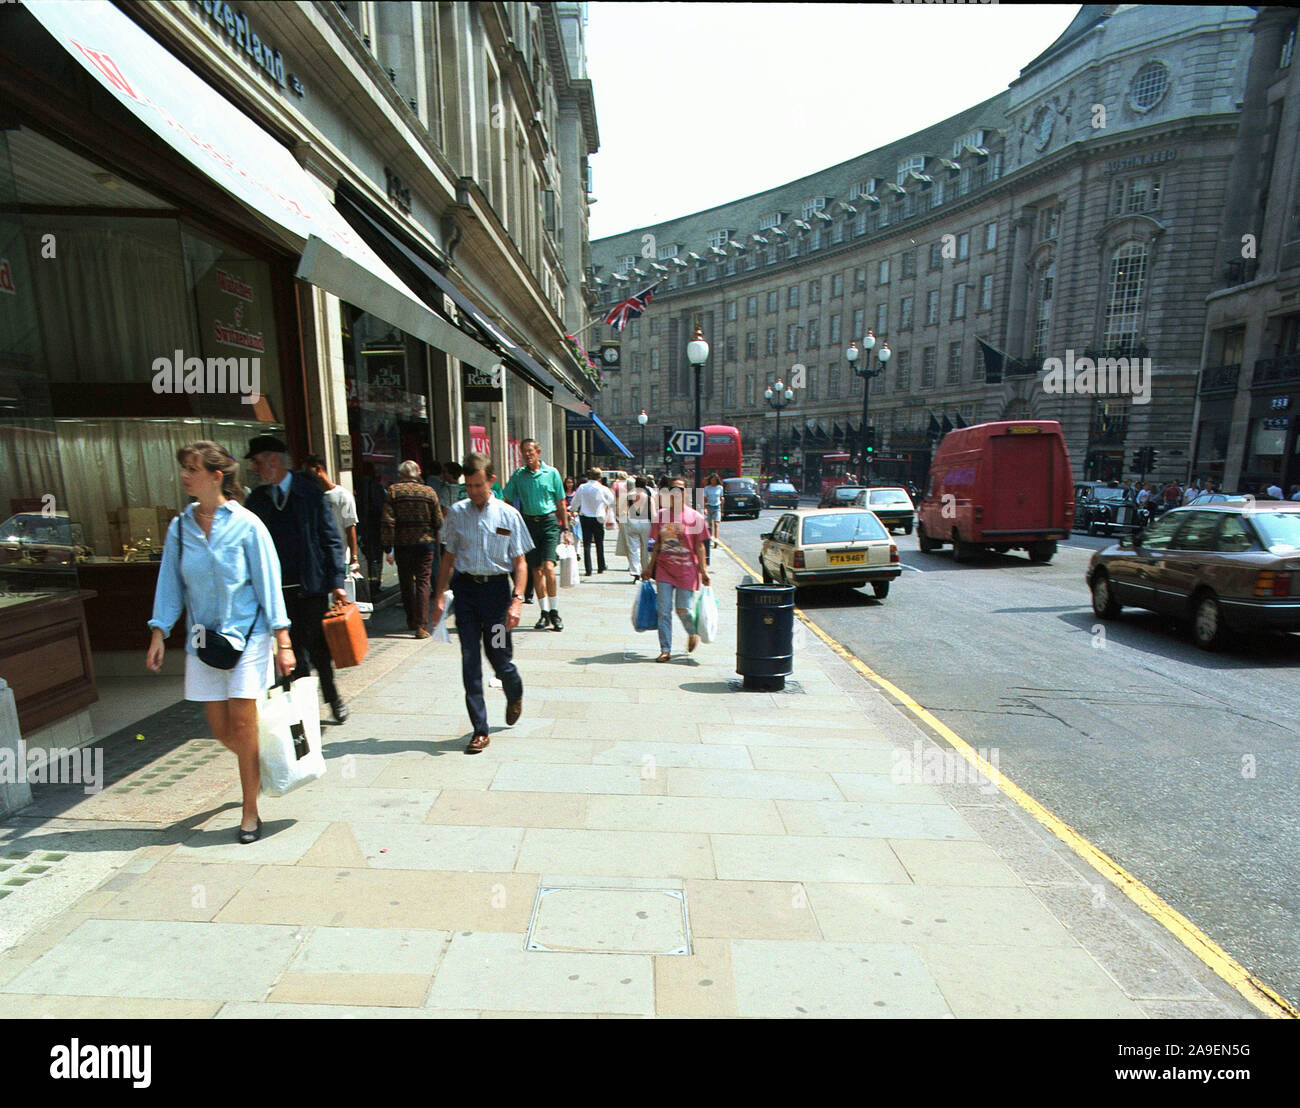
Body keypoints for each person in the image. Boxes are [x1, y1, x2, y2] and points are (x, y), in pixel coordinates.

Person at [147, 441, 293, 844]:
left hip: (248, 637)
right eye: (183, 468)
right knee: (221, 729)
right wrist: (160, 631)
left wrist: (283, 639)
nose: (184, 475)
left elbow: (268, 581)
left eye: (192, 468)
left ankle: (250, 811)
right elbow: (170, 582)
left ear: (215, 476)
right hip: (203, 642)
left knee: (244, 724)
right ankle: (264, 762)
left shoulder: (247, 524)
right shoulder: (180, 528)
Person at [431, 452, 532, 754]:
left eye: (478, 485)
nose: (473, 491)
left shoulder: (507, 515)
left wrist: (517, 601)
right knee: (470, 659)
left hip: (498, 597)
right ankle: (480, 729)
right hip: (467, 596)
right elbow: (448, 557)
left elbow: (521, 562)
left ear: (491, 480)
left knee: (499, 655)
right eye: (469, 486)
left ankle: (513, 690)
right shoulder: (457, 514)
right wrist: (439, 595)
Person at [244, 435, 350, 723]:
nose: (254, 469)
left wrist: (337, 581)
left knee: (318, 649)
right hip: (275, 591)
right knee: (292, 654)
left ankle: (333, 698)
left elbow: (330, 538)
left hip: (311, 587)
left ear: (273, 461)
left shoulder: (309, 492)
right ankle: (302, 711)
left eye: (256, 462)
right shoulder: (256, 500)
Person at [503, 438, 570, 631]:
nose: (527, 455)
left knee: (549, 567)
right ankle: (544, 612)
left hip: (549, 522)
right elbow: (507, 499)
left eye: (530, 451)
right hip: (528, 524)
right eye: (523, 452)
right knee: (536, 570)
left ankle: (555, 611)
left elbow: (560, 502)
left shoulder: (552, 473)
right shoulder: (518, 475)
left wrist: (565, 529)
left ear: (538, 452)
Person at [642, 478, 710, 662]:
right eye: (672, 490)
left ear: (685, 493)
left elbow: (700, 547)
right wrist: (649, 567)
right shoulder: (660, 516)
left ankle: (692, 631)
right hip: (664, 569)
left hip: (687, 570)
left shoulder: (695, 517)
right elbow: (656, 544)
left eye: (680, 490)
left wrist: (703, 571)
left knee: (683, 610)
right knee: (664, 611)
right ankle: (665, 649)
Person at [381, 460, 444, 638]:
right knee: (424, 582)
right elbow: (439, 521)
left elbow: (388, 521)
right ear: (417, 472)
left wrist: (387, 546)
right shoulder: (429, 492)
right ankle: (421, 626)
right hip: (426, 544)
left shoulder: (393, 491)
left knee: (406, 582)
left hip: (403, 544)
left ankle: (411, 620)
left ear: (401, 474)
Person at [303, 454, 360, 582]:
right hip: (317, 560)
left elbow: (350, 527)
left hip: (339, 558)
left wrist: (354, 557)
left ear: (318, 470)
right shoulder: (311, 496)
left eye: (307, 472)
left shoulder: (343, 496)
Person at [572, 466, 615, 576]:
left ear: (589, 475)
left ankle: (588, 569)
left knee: (586, 543)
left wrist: (573, 509)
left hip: (585, 517)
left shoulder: (582, 487)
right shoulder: (603, 489)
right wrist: (604, 504)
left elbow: (575, 502)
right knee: (599, 542)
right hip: (598, 517)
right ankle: (601, 565)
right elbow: (611, 500)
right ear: (600, 477)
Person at [354, 461, 386, 597]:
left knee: (366, 556)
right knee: (376, 557)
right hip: (376, 527)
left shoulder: (357, 487)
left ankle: (367, 585)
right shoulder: (377, 487)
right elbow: (382, 508)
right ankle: (375, 584)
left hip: (362, 526)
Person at [625, 475, 654, 582]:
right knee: (646, 548)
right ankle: (645, 570)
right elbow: (653, 512)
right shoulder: (648, 496)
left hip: (633, 521)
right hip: (645, 521)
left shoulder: (630, 495)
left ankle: (635, 571)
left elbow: (626, 508)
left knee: (633, 548)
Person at [703, 471, 723, 543]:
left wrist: (722, 509)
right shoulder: (707, 488)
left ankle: (716, 538)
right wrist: (704, 508)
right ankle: (711, 537)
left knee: (716, 523)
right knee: (710, 524)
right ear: (710, 480)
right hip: (709, 506)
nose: (713, 481)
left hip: (717, 507)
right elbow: (704, 499)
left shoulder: (720, 488)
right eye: (712, 480)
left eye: (715, 480)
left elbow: (721, 498)